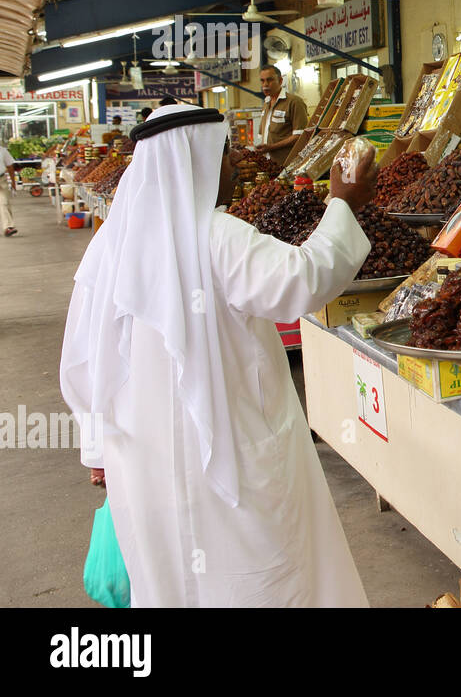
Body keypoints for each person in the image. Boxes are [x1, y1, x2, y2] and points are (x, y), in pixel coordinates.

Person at [60, 103, 378, 606]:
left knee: (172, 583)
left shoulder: (108, 247)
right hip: (231, 452)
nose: (233, 166)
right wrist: (344, 205)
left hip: (141, 462)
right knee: (253, 577)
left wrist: (96, 447)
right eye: (226, 154)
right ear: (198, 160)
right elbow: (301, 281)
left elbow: (81, 361)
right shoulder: (215, 236)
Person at [256, 65, 308, 168]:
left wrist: (271, 147)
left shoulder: (294, 102)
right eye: (262, 81)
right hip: (268, 165)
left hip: (287, 165)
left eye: (269, 80)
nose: (265, 84)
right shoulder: (266, 104)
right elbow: (264, 137)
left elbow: (300, 136)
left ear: (280, 81)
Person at [1, 143, 16, 236]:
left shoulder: (2, 151)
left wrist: (13, 182)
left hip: (1, 179)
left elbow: (10, 166)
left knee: (4, 202)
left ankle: (8, 227)